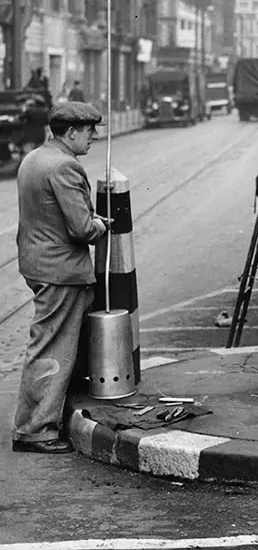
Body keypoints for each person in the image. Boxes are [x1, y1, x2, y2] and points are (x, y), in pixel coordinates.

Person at [12, 101, 111, 454]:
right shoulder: (66, 166)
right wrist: (101, 223)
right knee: (52, 347)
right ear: (70, 133)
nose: (93, 138)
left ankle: (50, 416)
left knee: (58, 344)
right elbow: (82, 228)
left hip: (39, 262)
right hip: (61, 270)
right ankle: (35, 429)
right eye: (88, 132)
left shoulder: (35, 158)